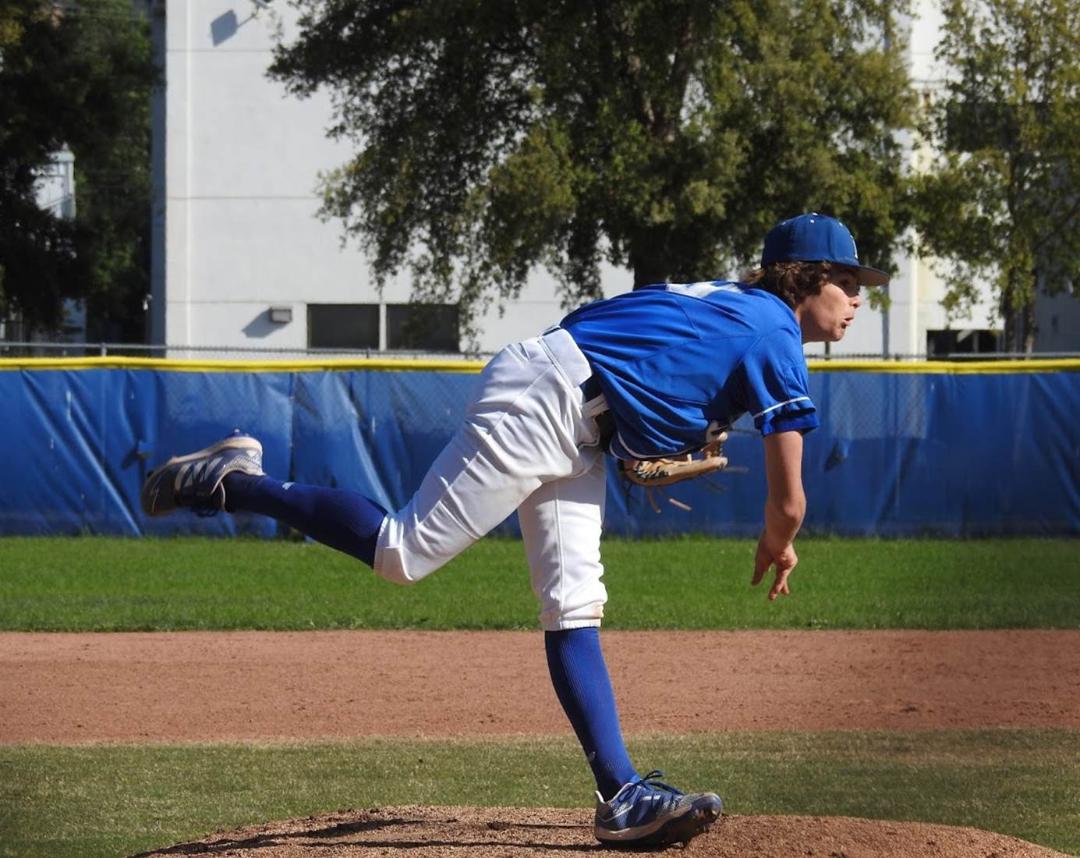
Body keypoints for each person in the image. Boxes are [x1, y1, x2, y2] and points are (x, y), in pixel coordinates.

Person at [142, 212, 885, 849]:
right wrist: (777, 538)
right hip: (549, 398)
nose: (857, 299)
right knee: (403, 552)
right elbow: (789, 498)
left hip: (576, 414)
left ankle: (620, 795)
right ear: (802, 277)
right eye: (846, 283)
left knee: (573, 602)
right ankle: (234, 480)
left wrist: (639, 431)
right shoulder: (775, 332)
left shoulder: (733, 308)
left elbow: (627, 343)